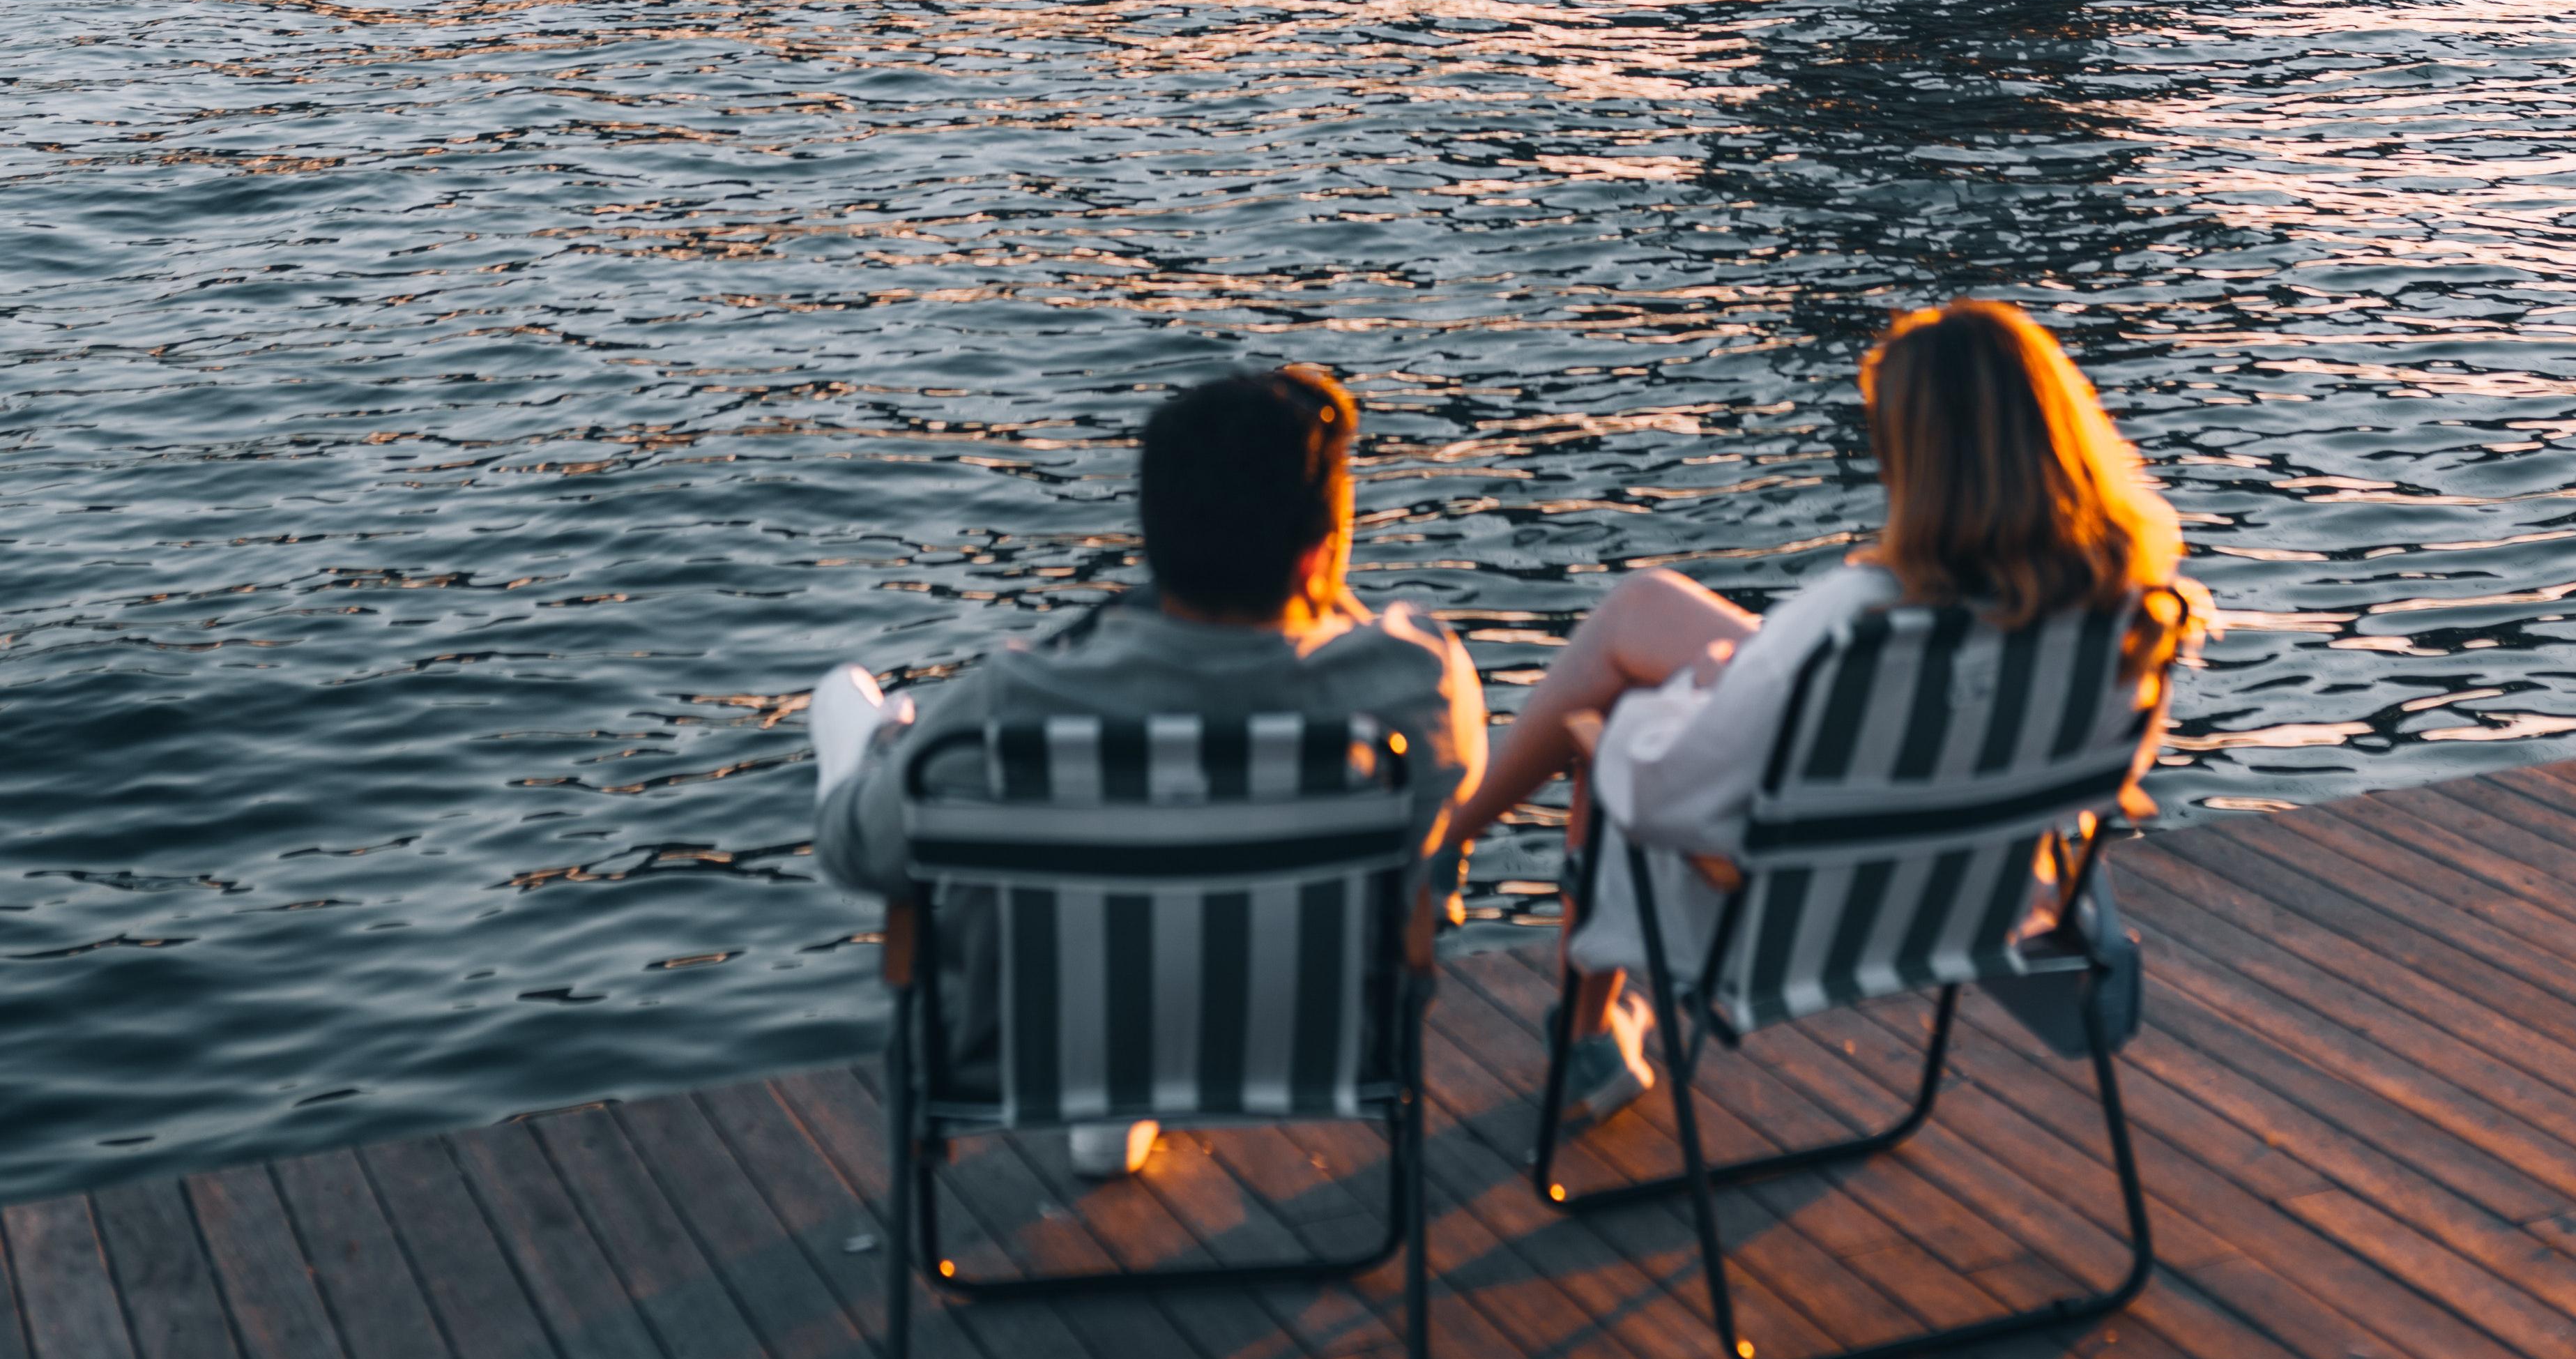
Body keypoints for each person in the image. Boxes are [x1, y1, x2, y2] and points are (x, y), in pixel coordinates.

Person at [1445, 301, 2205, 1130]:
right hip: (1981, 894)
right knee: (1644, 609)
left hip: (1788, 913)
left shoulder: (1849, 619)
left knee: (1618, 714)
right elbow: (2098, 778)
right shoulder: (2131, 614)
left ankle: (1566, 1006)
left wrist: (1686, 700)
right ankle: (1458, 855)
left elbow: (1666, 798)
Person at [812, 365, 1485, 1175]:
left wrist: (879, 751)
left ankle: (1116, 1080)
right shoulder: (1419, 686)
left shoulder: (1014, 702)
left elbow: (856, 854)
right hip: (1317, 1040)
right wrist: (1315, 591)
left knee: (853, 719)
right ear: (1317, 553)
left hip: (1037, 1043)